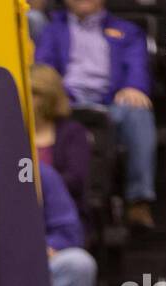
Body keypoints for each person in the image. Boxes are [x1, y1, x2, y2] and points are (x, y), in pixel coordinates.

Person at [34, 0, 157, 229]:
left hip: (111, 103)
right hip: (66, 103)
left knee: (138, 113)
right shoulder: (52, 30)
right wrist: (59, 96)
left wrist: (134, 87)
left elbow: (137, 67)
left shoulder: (128, 30)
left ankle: (139, 202)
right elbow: (43, 69)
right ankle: (42, 199)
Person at [30, 63, 93, 232]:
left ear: (50, 97)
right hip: (20, 214)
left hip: (63, 215)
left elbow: (76, 179)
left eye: (34, 94)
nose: (27, 99)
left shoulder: (72, 132)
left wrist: (40, 185)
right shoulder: (13, 133)